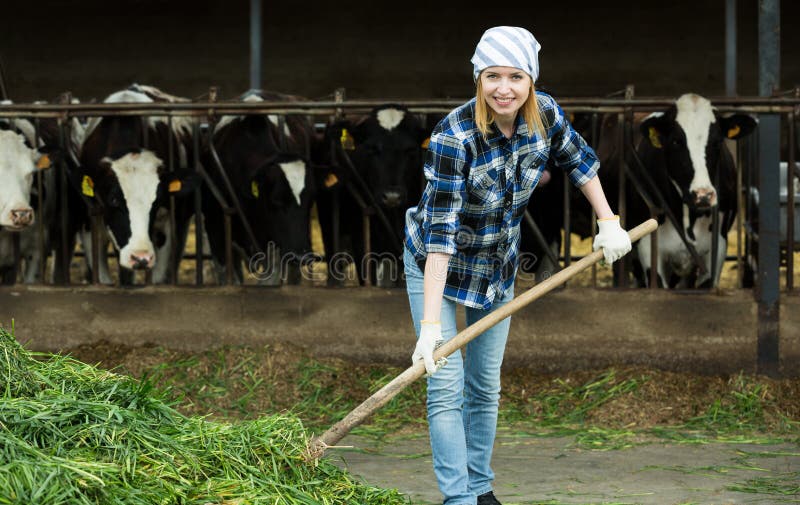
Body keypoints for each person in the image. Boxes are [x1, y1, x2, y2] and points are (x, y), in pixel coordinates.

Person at [403, 26, 632, 505]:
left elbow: (581, 162)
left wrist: (609, 221)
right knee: (445, 384)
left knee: (485, 383)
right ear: (477, 79)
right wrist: (429, 326)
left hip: (496, 265)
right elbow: (441, 234)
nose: (502, 88)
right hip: (436, 263)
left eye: (514, 76)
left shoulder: (545, 114)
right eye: (491, 76)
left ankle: (480, 487)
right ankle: (458, 498)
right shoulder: (453, 136)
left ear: (531, 81)